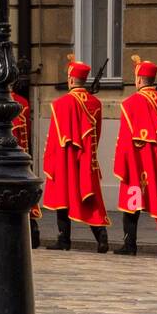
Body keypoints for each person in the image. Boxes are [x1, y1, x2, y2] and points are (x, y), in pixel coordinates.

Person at [113, 55, 157, 258]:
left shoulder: (130, 103)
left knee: (132, 205)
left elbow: (125, 138)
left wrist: (122, 164)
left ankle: (130, 244)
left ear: (138, 79)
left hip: (136, 163)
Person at [42, 57, 110, 253]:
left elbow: (56, 137)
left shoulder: (62, 103)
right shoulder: (95, 102)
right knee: (90, 197)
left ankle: (64, 240)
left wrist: (51, 159)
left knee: (62, 197)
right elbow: (97, 132)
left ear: (71, 80)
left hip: (66, 159)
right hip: (88, 158)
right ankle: (101, 236)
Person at [12, 72, 42, 250]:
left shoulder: (3, 102)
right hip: (22, 154)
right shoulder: (22, 102)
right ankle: (33, 231)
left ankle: (30, 232)